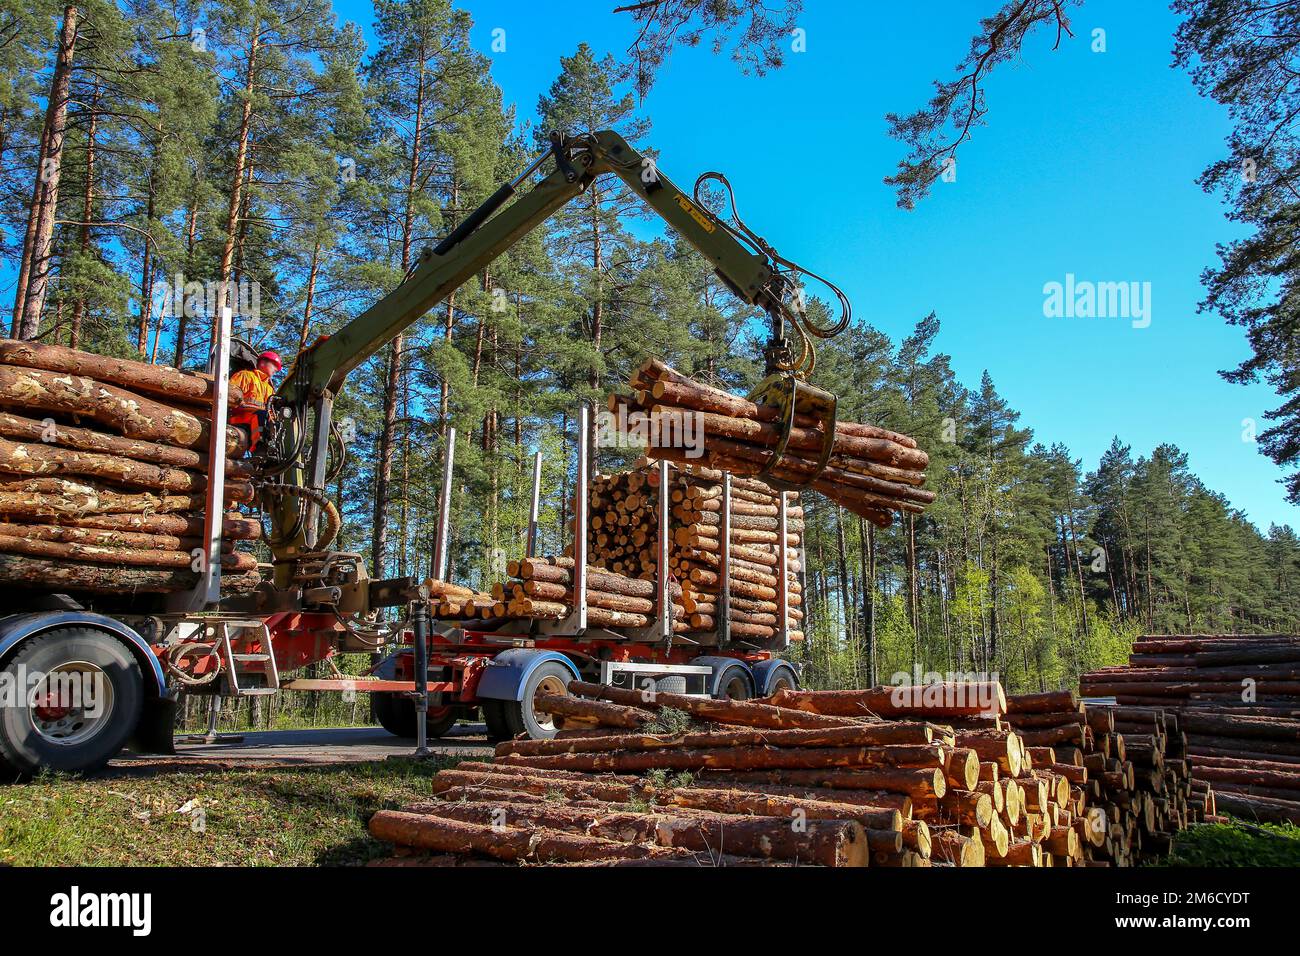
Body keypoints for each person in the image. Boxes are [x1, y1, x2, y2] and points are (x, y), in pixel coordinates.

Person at [229, 350, 281, 454]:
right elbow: (230, 397)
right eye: (274, 365)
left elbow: (271, 410)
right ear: (262, 363)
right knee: (261, 415)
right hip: (239, 419)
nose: (276, 369)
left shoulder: (269, 388)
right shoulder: (244, 376)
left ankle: (272, 450)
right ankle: (258, 448)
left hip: (259, 420)